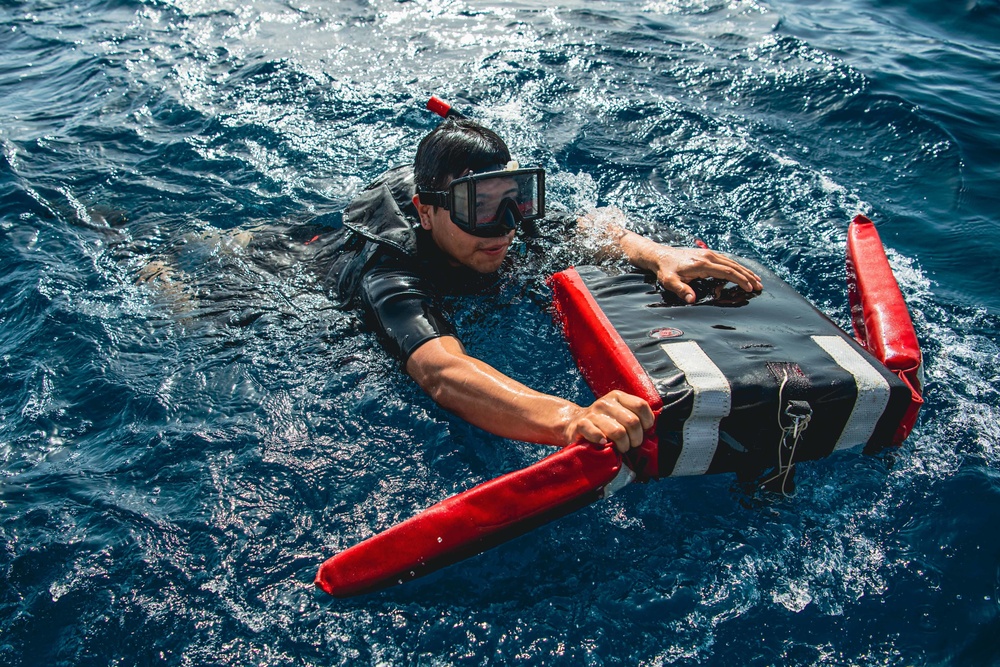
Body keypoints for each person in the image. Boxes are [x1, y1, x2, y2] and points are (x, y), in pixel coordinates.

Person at [331, 118, 762, 454]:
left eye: (512, 199)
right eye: (478, 207)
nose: (504, 229)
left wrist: (658, 254)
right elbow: (441, 371)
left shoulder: (508, 220)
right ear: (426, 213)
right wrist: (570, 418)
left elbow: (583, 229)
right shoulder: (389, 269)